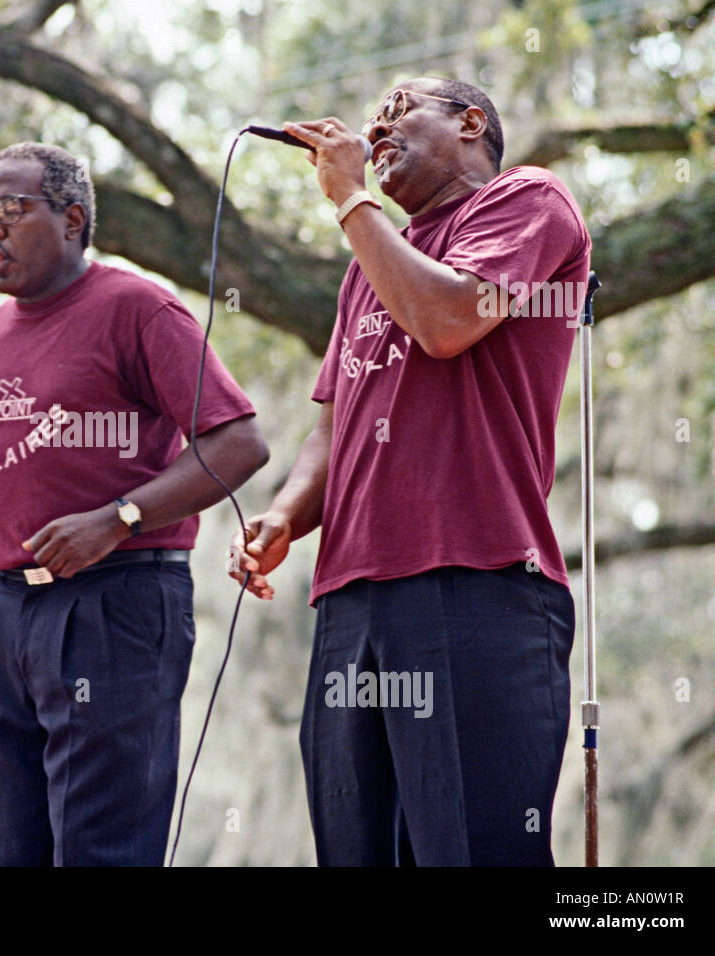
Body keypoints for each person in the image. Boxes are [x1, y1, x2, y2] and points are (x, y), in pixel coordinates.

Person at [229, 78, 591, 866]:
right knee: (355, 848)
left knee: (469, 847)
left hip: (474, 579)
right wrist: (286, 516)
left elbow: (449, 320)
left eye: (399, 109)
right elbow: (334, 423)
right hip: (351, 601)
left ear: (470, 124)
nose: (376, 126)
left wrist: (351, 199)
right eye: (371, 120)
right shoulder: (369, 268)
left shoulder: (528, 198)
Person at [0, 142, 269, 866]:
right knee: (16, 848)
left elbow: (240, 441)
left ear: (73, 219)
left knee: (99, 848)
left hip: (117, 604)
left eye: (12, 209)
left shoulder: (136, 306)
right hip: (10, 616)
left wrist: (117, 518)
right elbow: (1, 472)